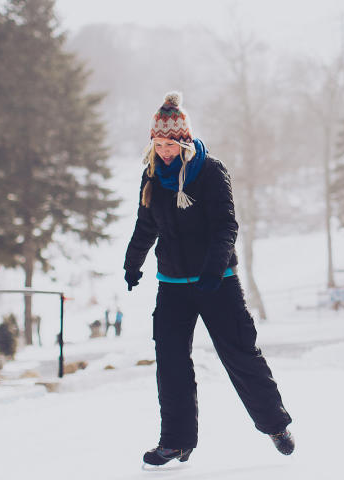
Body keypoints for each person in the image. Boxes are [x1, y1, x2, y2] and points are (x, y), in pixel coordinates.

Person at [124, 92, 294, 466]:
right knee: (170, 361)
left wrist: (213, 270)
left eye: (170, 144)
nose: (164, 151)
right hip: (172, 284)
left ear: (184, 141)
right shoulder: (151, 175)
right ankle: (176, 441)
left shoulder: (211, 171)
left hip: (217, 282)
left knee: (239, 353)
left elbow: (226, 226)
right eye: (158, 144)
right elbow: (146, 223)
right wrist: (132, 262)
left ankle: (275, 425)